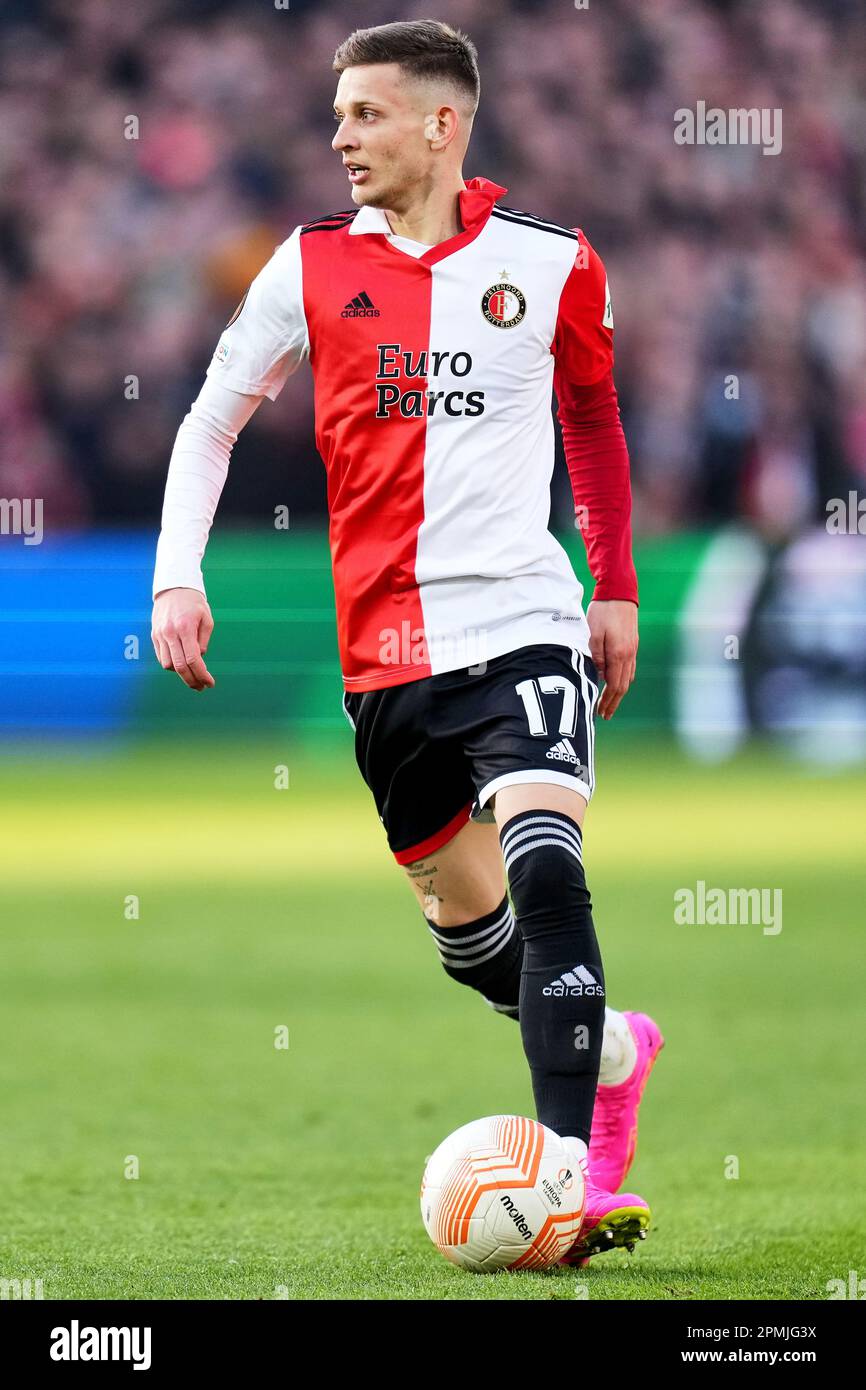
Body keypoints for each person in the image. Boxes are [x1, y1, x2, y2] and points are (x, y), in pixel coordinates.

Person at [151, 18, 663, 1265]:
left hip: (524, 624)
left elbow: (591, 417)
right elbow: (211, 421)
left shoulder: (551, 264)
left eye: (365, 114)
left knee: (548, 869)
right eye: (337, 116)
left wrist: (613, 586)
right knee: (476, 940)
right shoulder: (307, 267)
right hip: (386, 662)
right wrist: (176, 576)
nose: (339, 138)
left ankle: (566, 1194)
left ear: (442, 123)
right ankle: (608, 1049)